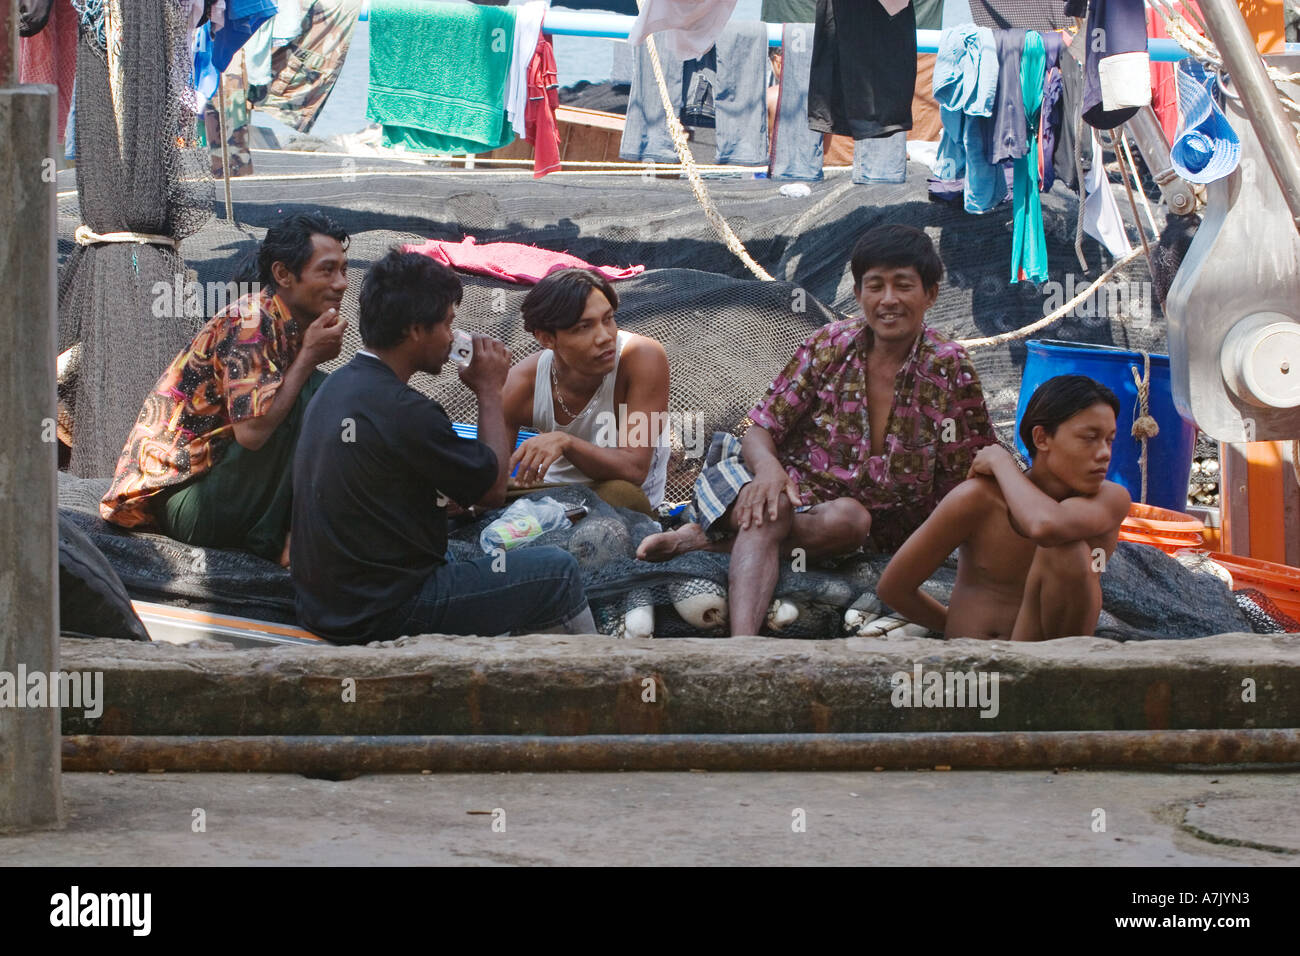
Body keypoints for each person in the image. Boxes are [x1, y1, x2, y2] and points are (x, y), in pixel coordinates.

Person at [636, 223, 996, 636]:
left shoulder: (950, 368)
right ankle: (741, 646)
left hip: (852, 523)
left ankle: (698, 541)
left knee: (850, 520)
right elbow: (759, 427)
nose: (889, 300)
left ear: (930, 294)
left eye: (904, 286)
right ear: (859, 295)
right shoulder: (830, 345)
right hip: (773, 482)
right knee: (771, 508)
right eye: (875, 286)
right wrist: (771, 473)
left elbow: (964, 473)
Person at [290, 250, 597, 644]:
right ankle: (595, 676)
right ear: (416, 330)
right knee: (557, 570)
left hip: (328, 601)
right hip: (383, 610)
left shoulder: (339, 384)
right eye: (448, 324)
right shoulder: (407, 410)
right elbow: (492, 491)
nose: (453, 338)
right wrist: (490, 391)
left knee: (485, 552)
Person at [100, 211, 349, 565]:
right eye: (327, 270)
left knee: (319, 390)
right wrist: (309, 357)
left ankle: (299, 530)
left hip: (215, 491)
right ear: (282, 274)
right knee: (313, 393)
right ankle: (282, 539)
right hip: (185, 504)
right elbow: (253, 435)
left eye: (344, 269)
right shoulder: (253, 321)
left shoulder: (283, 322)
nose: (341, 283)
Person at [877, 375, 1132, 641]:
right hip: (975, 668)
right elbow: (894, 588)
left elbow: (1045, 527)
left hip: (1047, 667)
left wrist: (1001, 462)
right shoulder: (977, 499)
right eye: (1090, 438)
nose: (1104, 453)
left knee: (1069, 552)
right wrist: (958, 632)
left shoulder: (1110, 499)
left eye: (1109, 440)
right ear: (1042, 438)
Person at [503, 268, 671, 515]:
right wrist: (486, 391)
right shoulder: (521, 382)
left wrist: (566, 442)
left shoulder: (642, 358)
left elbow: (634, 469)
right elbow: (492, 477)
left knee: (622, 495)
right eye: (584, 327)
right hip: (552, 496)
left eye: (608, 319)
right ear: (547, 339)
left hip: (623, 503)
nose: (605, 337)